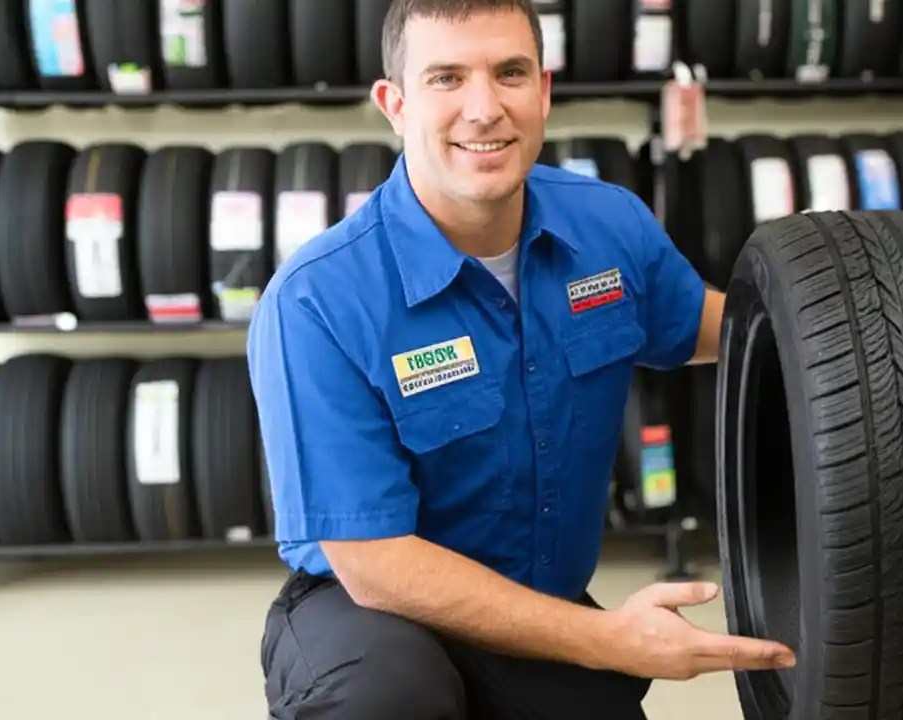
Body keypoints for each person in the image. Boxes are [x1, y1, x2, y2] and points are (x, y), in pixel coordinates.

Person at [247, 0, 796, 717]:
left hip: (534, 605)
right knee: (386, 694)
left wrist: (875, 336)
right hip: (364, 615)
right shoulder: (317, 300)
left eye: (509, 73)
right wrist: (611, 640)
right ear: (395, 104)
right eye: (446, 78)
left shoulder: (608, 227)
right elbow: (376, 566)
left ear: (542, 91)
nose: (484, 110)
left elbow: (709, 327)